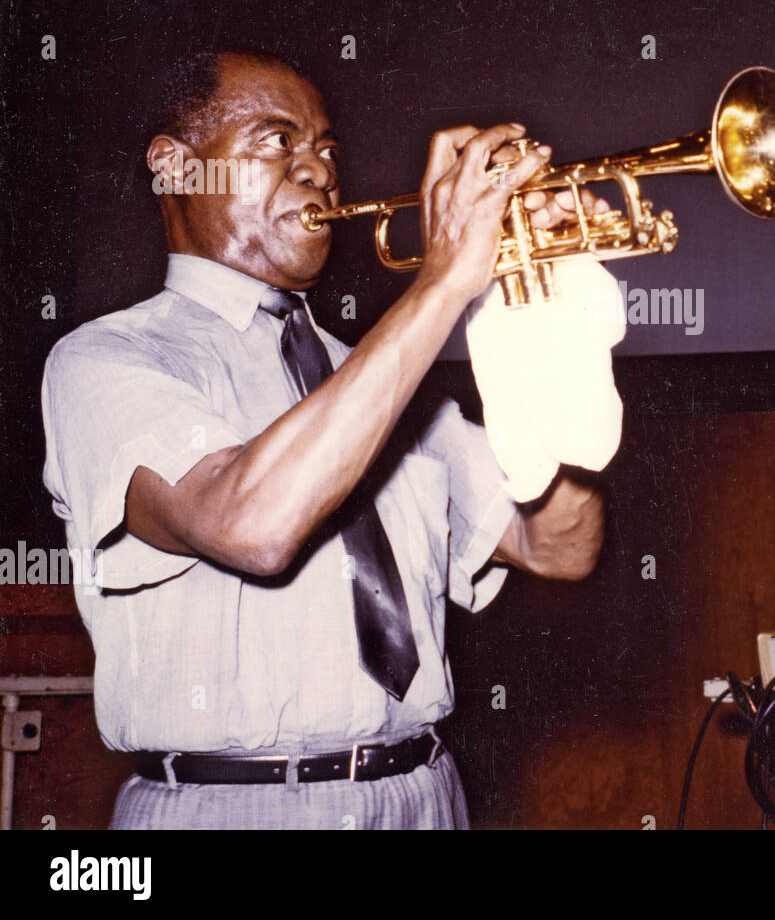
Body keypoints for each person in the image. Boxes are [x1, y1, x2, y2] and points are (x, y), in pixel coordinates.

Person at [40, 49, 605, 829]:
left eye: (327, 151)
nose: (319, 174)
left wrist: (548, 327)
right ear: (174, 167)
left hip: (425, 795)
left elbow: (558, 543)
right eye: (276, 142)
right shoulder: (107, 359)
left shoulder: (382, 379)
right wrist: (442, 282)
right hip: (232, 808)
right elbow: (250, 526)